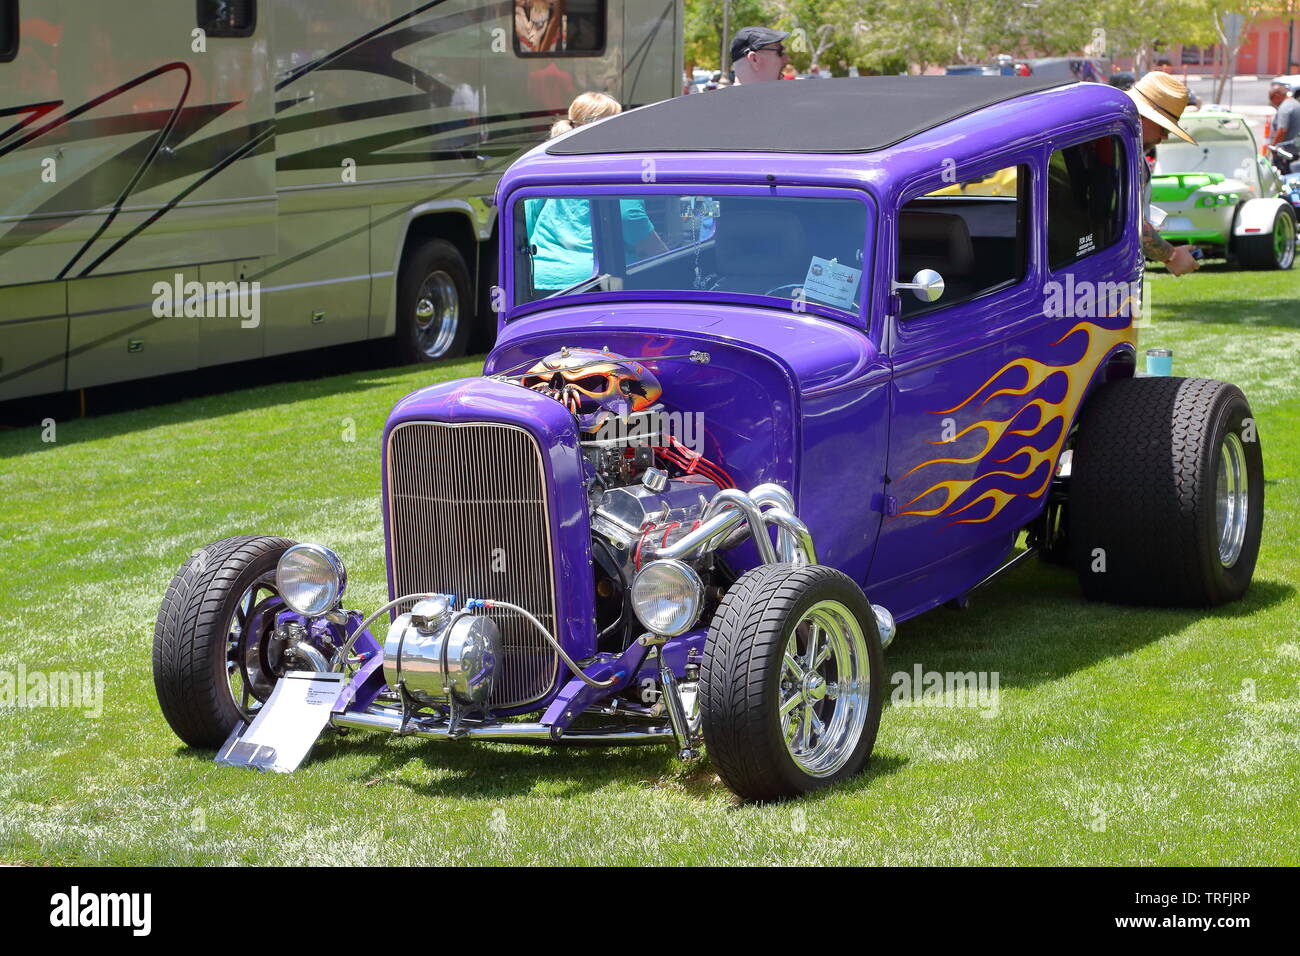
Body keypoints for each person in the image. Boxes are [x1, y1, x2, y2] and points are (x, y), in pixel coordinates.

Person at [528, 93, 667, 291]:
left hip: (539, 276)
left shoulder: (546, 166)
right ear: (604, 129)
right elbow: (631, 219)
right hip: (592, 282)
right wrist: (670, 259)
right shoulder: (614, 170)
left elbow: (527, 221)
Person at [1128, 72, 1201, 276]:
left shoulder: (1126, 151)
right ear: (1142, 117)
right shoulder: (1124, 156)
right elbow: (1130, 222)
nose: (1165, 136)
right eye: (1163, 127)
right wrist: (1172, 256)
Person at [1269, 82, 1299, 155]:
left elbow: (1282, 130)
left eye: (1271, 99)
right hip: (1296, 149)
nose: (1272, 103)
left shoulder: (1284, 108)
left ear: (1277, 96)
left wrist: (1274, 147)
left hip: (1285, 152)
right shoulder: (1296, 103)